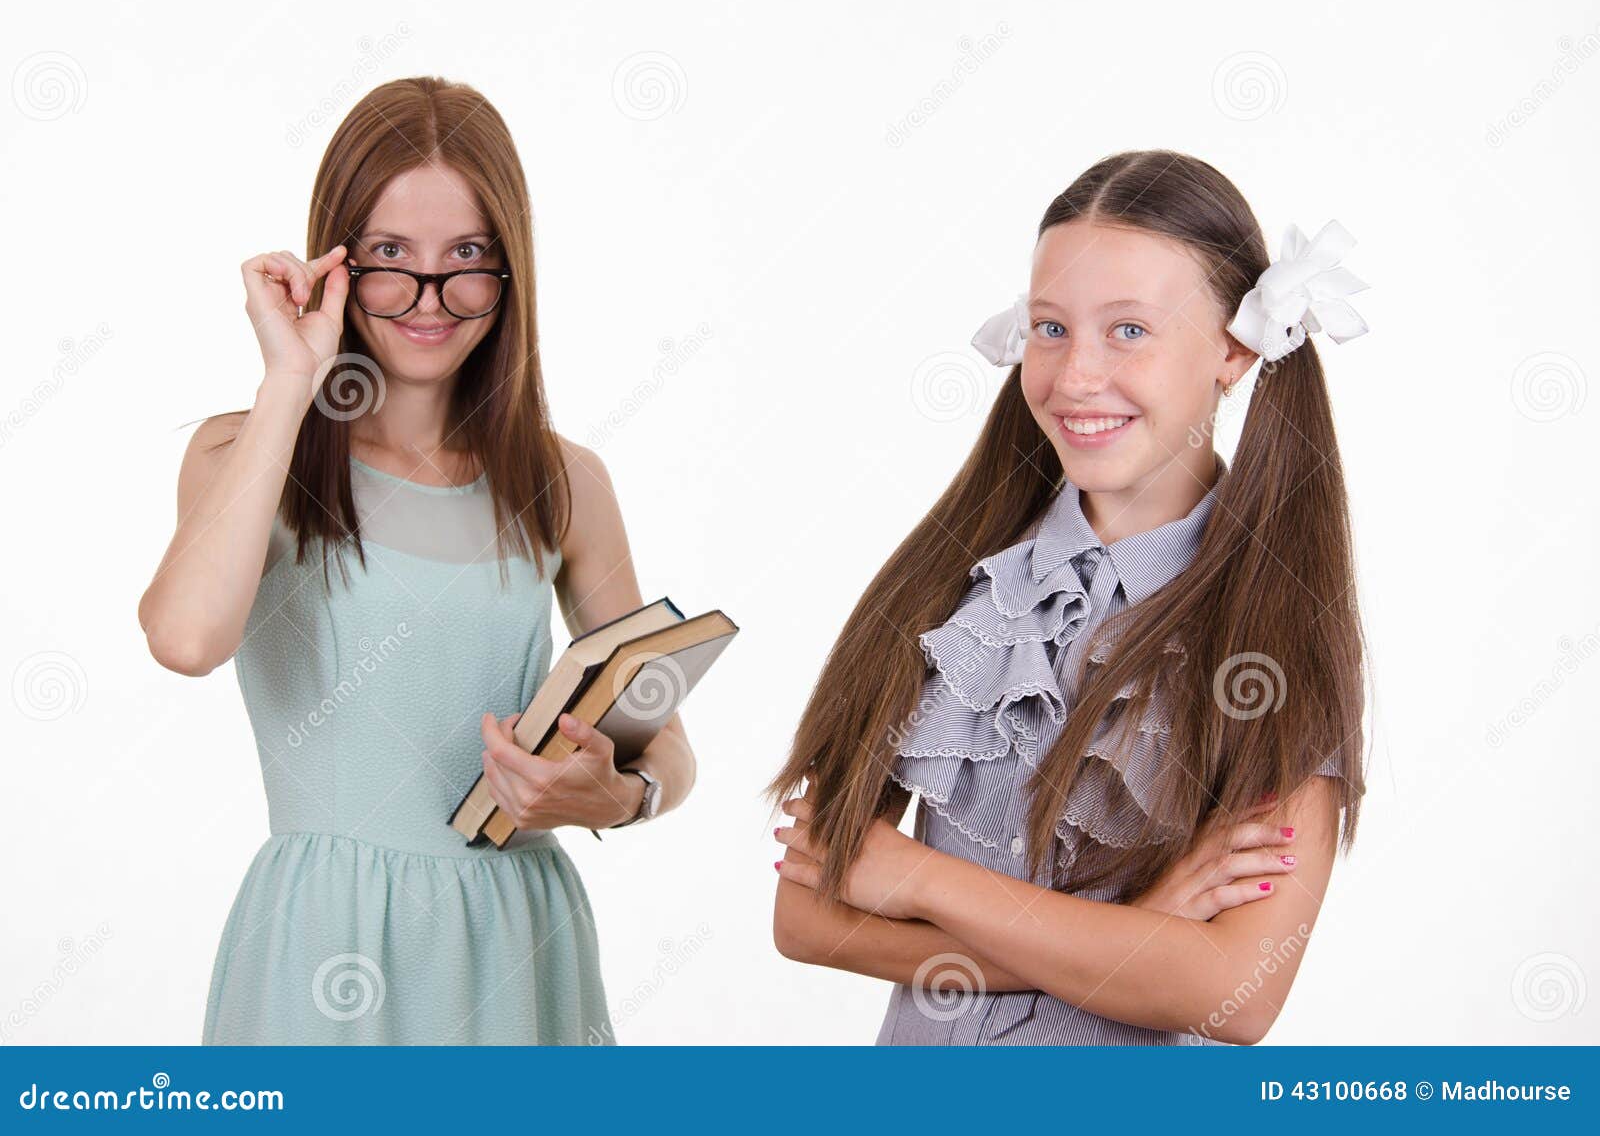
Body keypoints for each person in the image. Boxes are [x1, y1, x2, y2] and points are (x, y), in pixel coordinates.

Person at [138, 76, 695, 1044]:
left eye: (466, 257)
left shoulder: (565, 481)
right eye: (391, 256)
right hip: (324, 940)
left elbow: (666, 741)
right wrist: (290, 380)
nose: (428, 299)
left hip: (517, 941)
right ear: (337, 260)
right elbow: (185, 640)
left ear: (510, 267)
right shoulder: (246, 455)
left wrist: (620, 795)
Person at [768, 149, 1369, 1045]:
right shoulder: (946, 583)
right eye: (1051, 327)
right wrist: (1138, 936)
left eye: (1128, 330)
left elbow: (1236, 993)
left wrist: (918, 879)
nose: (1076, 376)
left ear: (1234, 350)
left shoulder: (1275, 631)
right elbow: (806, 920)